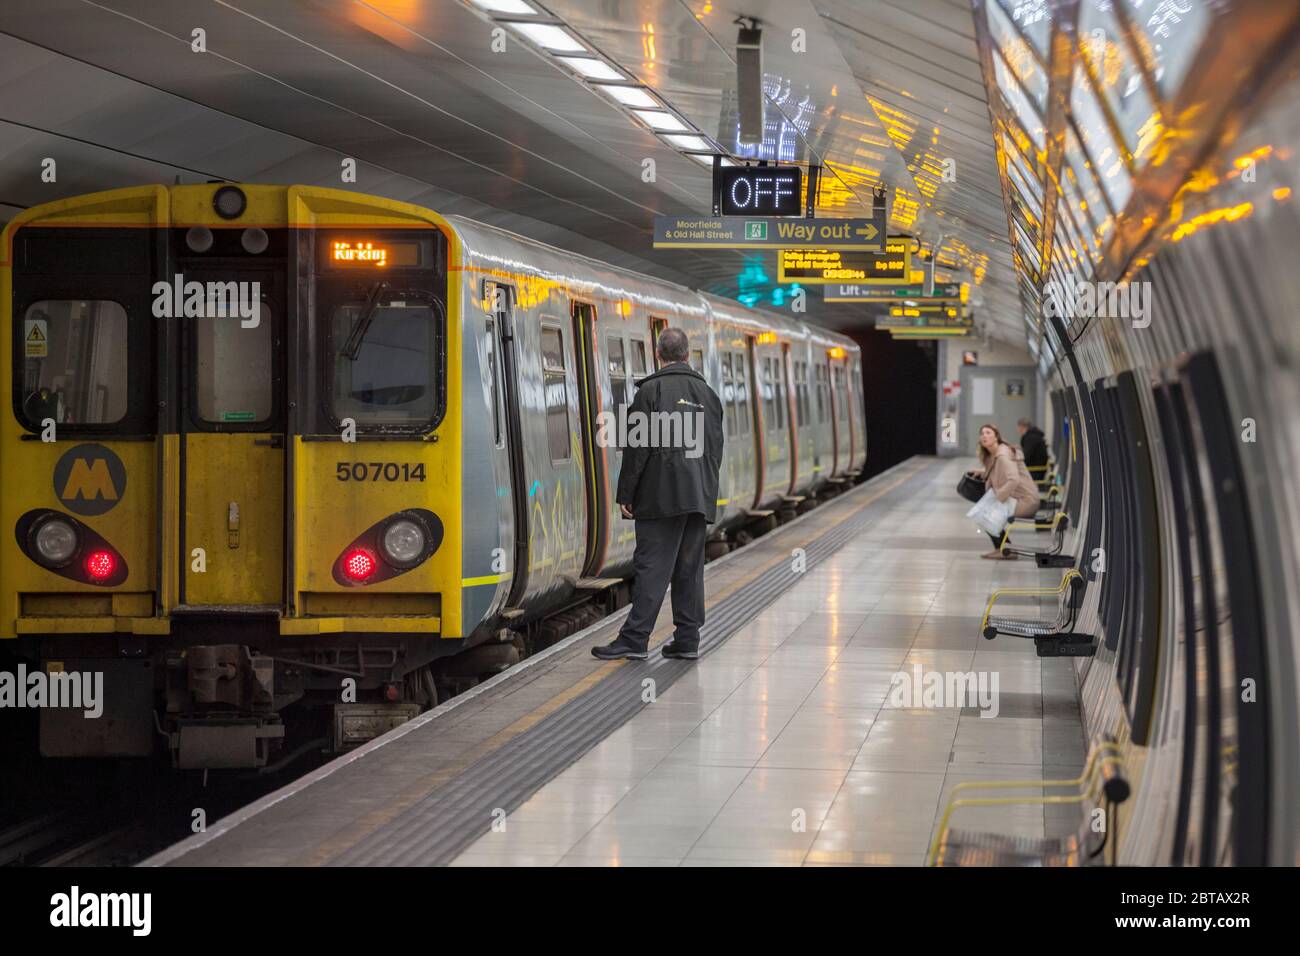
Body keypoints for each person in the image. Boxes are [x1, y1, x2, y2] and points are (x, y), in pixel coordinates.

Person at [592, 327, 724, 661]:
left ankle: (635, 639)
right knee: (688, 569)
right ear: (688, 354)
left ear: (658, 354)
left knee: (652, 567)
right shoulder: (708, 395)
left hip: (660, 497)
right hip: (697, 496)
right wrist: (706, 489)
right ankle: (688, 639)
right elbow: (715, 449)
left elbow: (638, 451)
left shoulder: (650, 392)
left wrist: (627, 494)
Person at [968, 423, 1040, 560]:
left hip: (1026, 501)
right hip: (1018, 498)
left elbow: (1013, 479)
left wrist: (999, 497)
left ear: (996, 437)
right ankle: (1002, 548)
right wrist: (981, 472)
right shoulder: (996, 454)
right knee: (983, 512)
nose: (984, 436)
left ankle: (1006, 549)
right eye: (982, 433)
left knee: (986, 513)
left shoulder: (1003, 455)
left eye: (988, 433)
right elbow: (1001, 472)